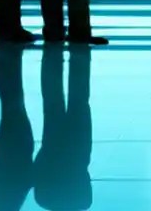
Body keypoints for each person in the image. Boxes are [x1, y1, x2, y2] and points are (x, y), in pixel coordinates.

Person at [33, 45, 94, 211]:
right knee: (54, 100)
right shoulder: (43, 198)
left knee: (78, 98)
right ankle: (54, 53)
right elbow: (38, 168)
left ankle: (75, 52)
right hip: (55, 146)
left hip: (77, 150)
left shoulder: (83, 202)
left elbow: (84, 176)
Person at [0, 44, 34, 211]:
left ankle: (9, 56)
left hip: (17, 146)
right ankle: (8, 57)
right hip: (8, 147)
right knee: (11, 100)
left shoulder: (15, 195)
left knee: (12, 100)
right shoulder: (1, 198)